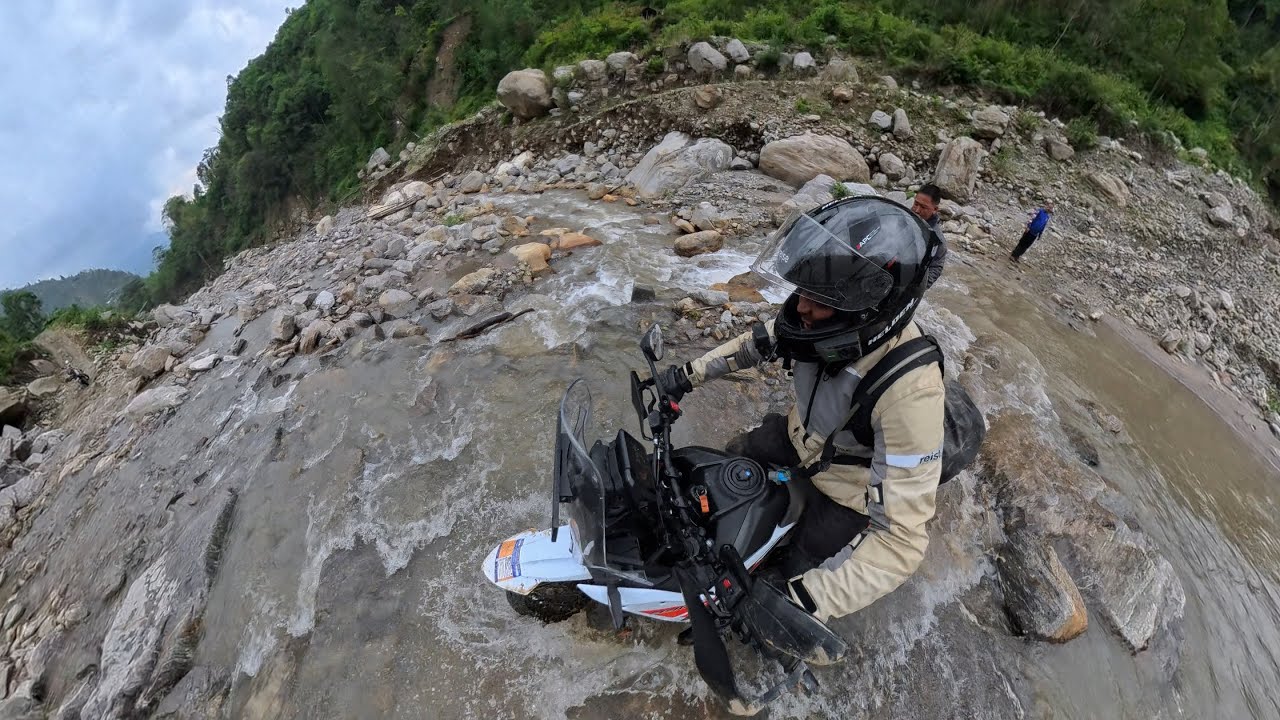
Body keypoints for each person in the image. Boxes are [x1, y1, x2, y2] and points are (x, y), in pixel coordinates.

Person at [656, 196, 946, 622]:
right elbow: (753, 346)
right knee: (718, 474)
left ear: (871, 310)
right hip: (794, 438)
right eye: (804, 291)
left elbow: (901, 542)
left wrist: (807, 601)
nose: (801, 307)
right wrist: (683, 378)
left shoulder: (911, 392)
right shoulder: (814, 321)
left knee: (780, 575)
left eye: (821, 299)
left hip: (847, 493)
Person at [911, 184, 947, 288]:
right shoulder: (903, 216)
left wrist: (915, 289)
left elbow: (935, 269)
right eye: (916, 203)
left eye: (923, 207)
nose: (917, 210)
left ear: (935, 209)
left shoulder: (937, 241)